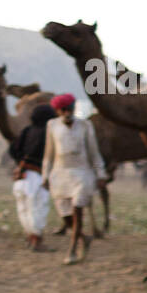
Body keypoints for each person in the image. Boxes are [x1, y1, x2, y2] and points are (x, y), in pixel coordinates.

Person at [41, 93, 108, 265]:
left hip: (82, 173)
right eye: (63, 109)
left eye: (69, 108)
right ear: (58, 111)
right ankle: (83, 238)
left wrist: (100, 174)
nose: (67, 112)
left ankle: (72, 250)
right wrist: (45, 175)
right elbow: (49, 154)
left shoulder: (86, 125)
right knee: (66, 215)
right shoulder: (52, 125)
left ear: (73, 108)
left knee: (78, 210)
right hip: (60, 174)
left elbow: (94, 152)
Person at [9, 102, 56, 251]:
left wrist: (20, 161)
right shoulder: (48, 134)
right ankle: (37, 241)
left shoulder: (27, 131)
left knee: (23, 208)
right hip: (35, 176)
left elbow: (13, 149)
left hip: (21, 176)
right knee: (38, 208)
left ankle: (30, 237)